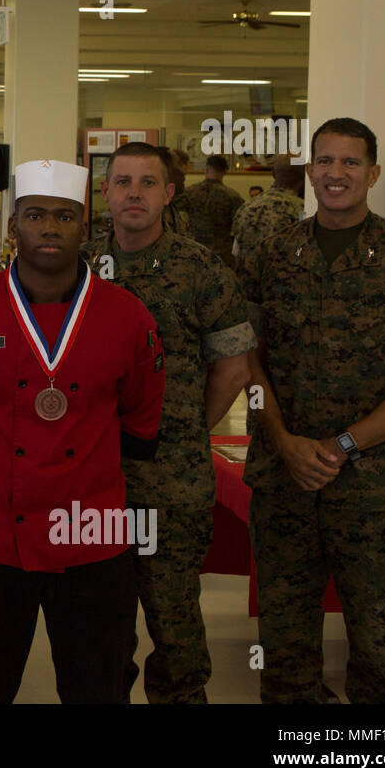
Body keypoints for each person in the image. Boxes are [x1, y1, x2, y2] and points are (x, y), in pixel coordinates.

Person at [0, 159, 166, 704]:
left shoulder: (128, 317)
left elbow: (139, 424)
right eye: (34, 216)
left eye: (64, 216)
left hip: (92, 537)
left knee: (97, 688)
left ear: (86, 226)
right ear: (12, 227)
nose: (49, 228)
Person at [242, 117, 385, 703]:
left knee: (378, 644)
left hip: (374, 486)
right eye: (325, 161)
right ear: (309, 171)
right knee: (283, 647)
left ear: (373, 173)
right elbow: (246, 364)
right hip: (284, 478)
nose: (336, 173)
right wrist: (284, 441)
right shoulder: (268, 257)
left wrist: (341, 446)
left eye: (351, 163)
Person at [82, 142, 254, 703]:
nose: (134, 193)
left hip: (170, 482)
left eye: (148, 183)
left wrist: (183, 428)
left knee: (173, 621)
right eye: (123, 181)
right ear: (104, 192)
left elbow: (233, 367)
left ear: (169, 193)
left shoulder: (202, 269)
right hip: (87, 479)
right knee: (99, 627)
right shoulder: (76, 267)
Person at [231, 155, 305, 272]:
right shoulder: (302, 210)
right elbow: (302, 253)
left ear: (273, 174)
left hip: (247, 284)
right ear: (303, 176)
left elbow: (236, 252)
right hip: (283, 283)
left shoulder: (246, 207)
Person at [177, 155, 245, 266]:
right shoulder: (232, 197)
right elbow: (240, 227)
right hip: (221, 253)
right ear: (225, 172)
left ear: (207, 169)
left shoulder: (189, 192)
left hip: (194, 250)